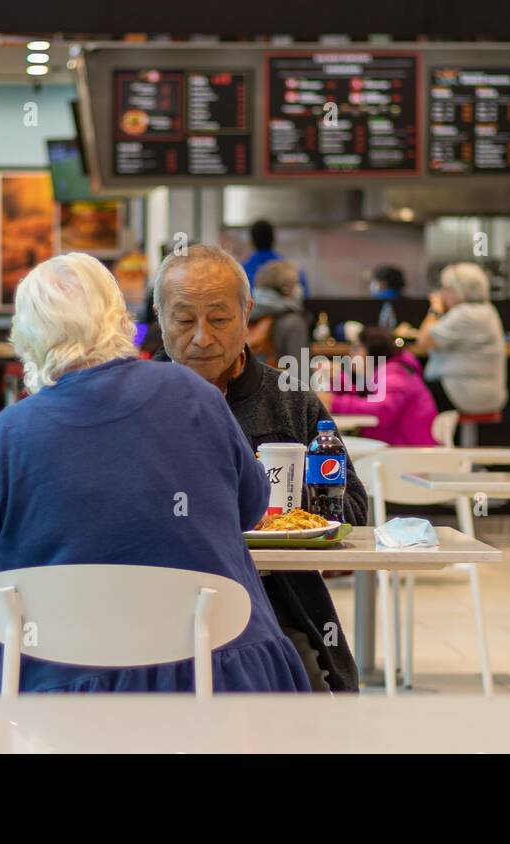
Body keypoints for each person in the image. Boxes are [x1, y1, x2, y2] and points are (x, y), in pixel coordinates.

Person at [0, 253, 310, 694]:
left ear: (26, 338)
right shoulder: (196, 396)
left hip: (73, 702)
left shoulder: (6, 438)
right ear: (119, 320)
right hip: (228, 680)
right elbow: (250, 508)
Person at [153, 244, 366, 692]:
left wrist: (298, 508)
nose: (202, 337)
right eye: (185, 319)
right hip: (155, 602)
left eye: (219, 318)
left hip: (273, 603)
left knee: (313, 700)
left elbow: (354, 509)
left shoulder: (288, 398)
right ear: (159, 317)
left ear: (248, 313)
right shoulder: (133, 401)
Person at [413, 262, 508, 415]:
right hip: (479, 392)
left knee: (408, 395)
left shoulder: (465, 314)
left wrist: (435, 309)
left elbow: (424, 341)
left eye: (446, 288)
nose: (442, 294)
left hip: (465, 392)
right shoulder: (486, 310)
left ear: (458, 290)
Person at [320, 326, 437, 446]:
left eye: (356, 348)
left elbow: (381, 409)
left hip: (407, 451)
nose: (350, 354)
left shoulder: (394, 375)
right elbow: (363, 398)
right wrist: (337, 381)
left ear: (371, 350)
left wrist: (334, 402)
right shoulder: (390, 371)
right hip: (401, 447)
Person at [249, 260, 309, 367]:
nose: (299, 289)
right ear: (286, 289)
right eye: (296, 284)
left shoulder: (248, 311)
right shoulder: (294, 322)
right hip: (279, 382)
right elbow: (300, 371)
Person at [241, 219, 310, 298]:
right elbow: (306, 300)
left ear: (252, 241)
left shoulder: (241, 272)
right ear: (273, 239)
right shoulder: (294, 272)